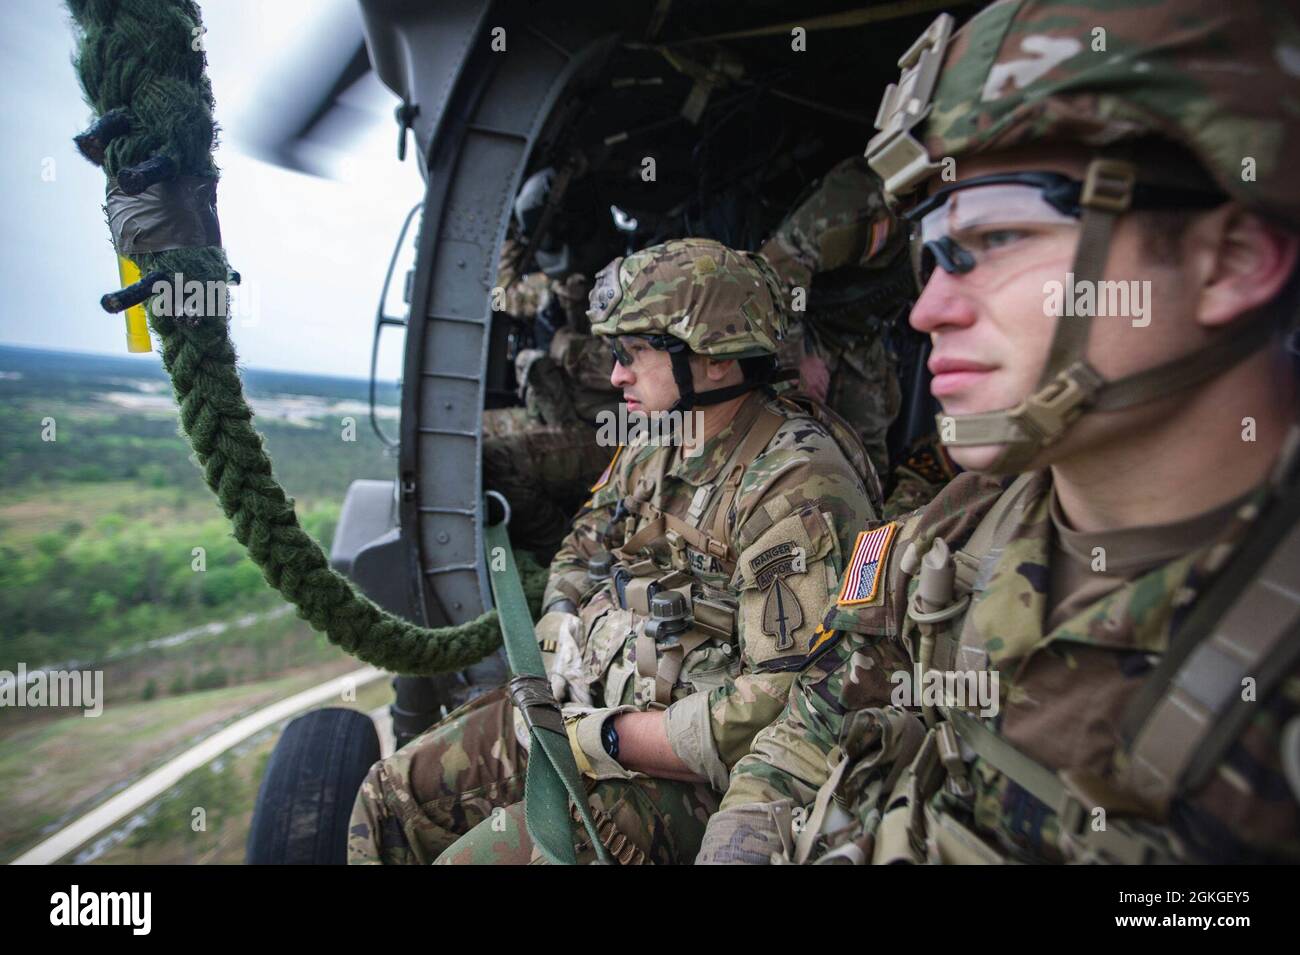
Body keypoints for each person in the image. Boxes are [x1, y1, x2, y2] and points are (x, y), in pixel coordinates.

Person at [697, 0, 1300, 865]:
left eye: (1001, 234)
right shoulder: (943, 540)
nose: (930, 307)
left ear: (1233, 258)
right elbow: (800, 744)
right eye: (932, 252)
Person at [348, 237, 877, 864]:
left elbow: (789, 705)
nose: (615, 375)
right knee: (388, 799)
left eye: (635, 353)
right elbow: (586, 538)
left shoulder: (797, 486)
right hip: (591, 708)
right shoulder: (656, 440)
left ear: (714, 359)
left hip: (692, 773)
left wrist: (608, 737)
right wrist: (560, 620)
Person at [760, 156, 916, 483]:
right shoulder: (865, 201)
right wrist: (797, 359)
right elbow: (777, 265)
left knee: (868, 461)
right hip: (805, 329)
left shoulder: (934, 210)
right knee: (795, 442)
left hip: (861, 337)